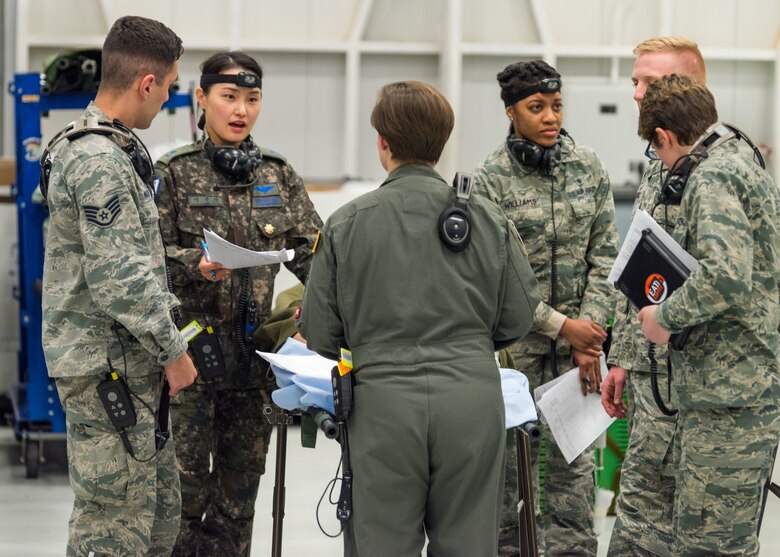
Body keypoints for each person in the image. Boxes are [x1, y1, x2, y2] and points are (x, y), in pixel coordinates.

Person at [298, 80, 541, 556]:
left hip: (383, 404)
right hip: (471, 399)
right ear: (441, 143)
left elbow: (322, 333)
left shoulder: (346, 223)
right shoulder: (487, 219)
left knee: (382, 545)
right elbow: (518, 317)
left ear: (382, 143)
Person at [154, 51, 323, 557]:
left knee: (237, 502)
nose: (241, 110)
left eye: (252, 99)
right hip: (188, 367)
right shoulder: (175, 173)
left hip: (253, 371)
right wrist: (194, 263)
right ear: (202, 99)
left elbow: (319, 260)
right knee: (182, 501)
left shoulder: (278, 175)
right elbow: (143, 257)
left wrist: (311, 321)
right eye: (229, 97)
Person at [41, 15, 197, 557]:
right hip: (108, 368)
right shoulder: (97, 159)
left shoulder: (108, 148)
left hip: (128, 367)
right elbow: (118, 277)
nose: (167, 98)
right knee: (112, 529)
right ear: (147, 83)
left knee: (153, 523)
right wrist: (173, 351)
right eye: (171, 87)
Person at [472, 60, 619, 556]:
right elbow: (492, 276)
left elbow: (605, 255)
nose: (550, 117)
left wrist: (590, 336)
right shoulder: (491, 178)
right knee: (504, 491)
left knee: (574, 491)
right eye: (536, 108)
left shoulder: (589, 166)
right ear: (511, 112)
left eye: (557, 106)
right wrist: (563, 328)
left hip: (580, 362)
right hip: (514, 359)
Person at [635, 73, 780, 556]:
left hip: (729, 397)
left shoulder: (711, 175)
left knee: (708, 545)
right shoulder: (739, 160)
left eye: (659, 153)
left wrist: (664, 317)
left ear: (663, 137)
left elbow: (726, 274)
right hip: (739, 388)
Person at [600, 36, 707, 557]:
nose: (637, 92)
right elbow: (640, 273)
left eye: (651, 82)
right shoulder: (660, 161)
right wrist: (621, 359)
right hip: (649, 386)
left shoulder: (716, 171)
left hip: (695, 393)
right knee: (638, 530)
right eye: (636, 81)